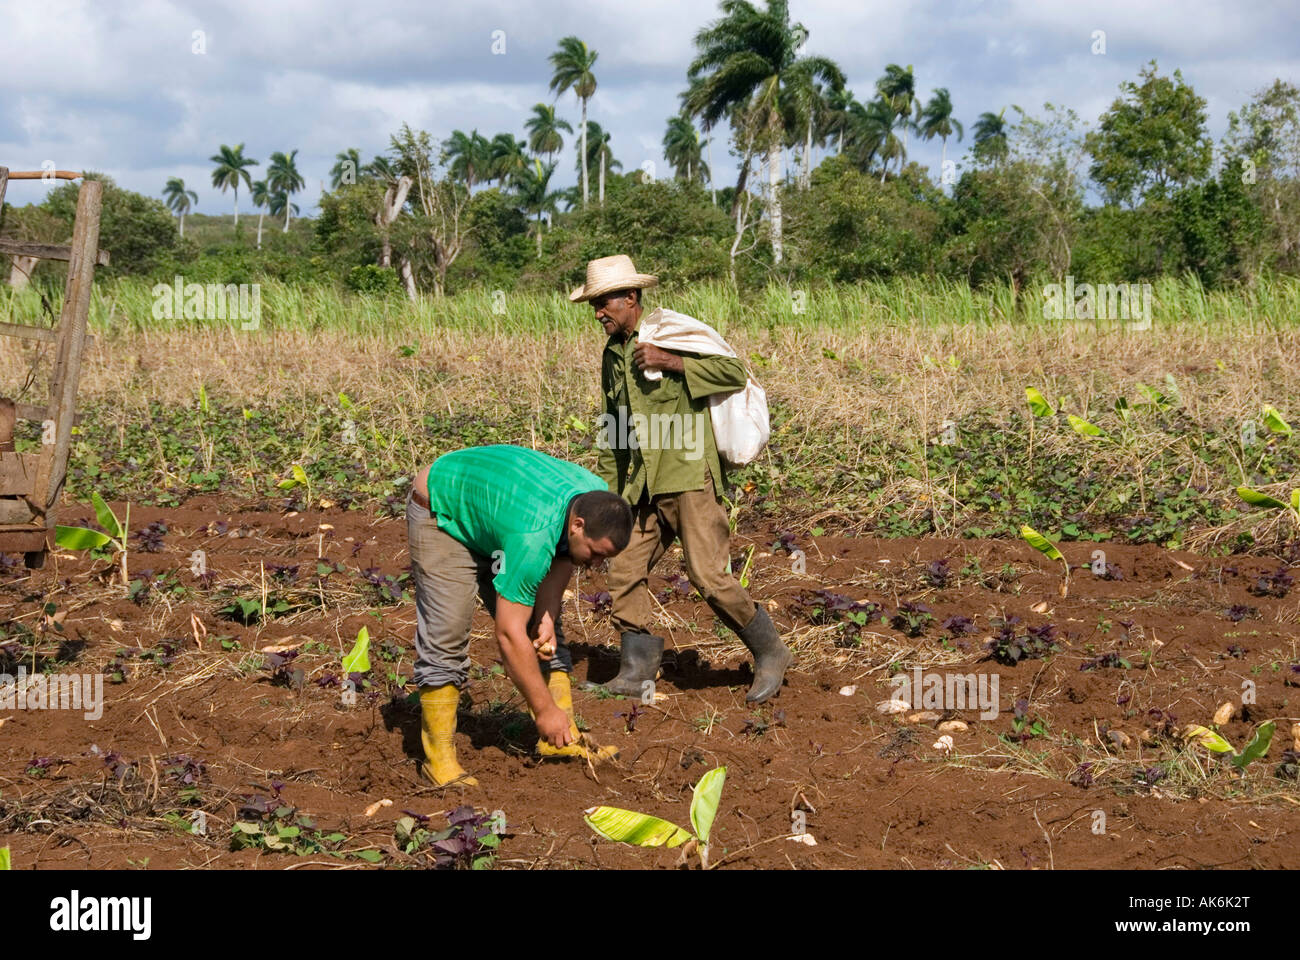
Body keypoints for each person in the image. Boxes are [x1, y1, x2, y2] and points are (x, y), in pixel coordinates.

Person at [569, 254, 792, 704]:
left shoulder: (671, 333)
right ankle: (635, 673)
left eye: (603, 303)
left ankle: (770, 652)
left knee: (708, 577)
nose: (597, 314)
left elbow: (733, 373)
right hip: (644, 486)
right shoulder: (613, 356)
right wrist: (610, 497)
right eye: (593, 305)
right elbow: (613, 426)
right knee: (625, 569)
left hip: (689, 475)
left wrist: (672, 361)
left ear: (629, 297)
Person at [407, 444, 632, 786]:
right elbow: (508, 634)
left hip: (498, 517)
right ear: (579, 525)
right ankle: (438, 762)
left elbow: (563, 555)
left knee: (544, 629)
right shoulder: (532, 536)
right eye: (596, 554)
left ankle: (561, 739)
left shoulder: (592, 497)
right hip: (442, 512)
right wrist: (542, 710)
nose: (597, 565)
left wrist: (546, 613)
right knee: (448, 631)